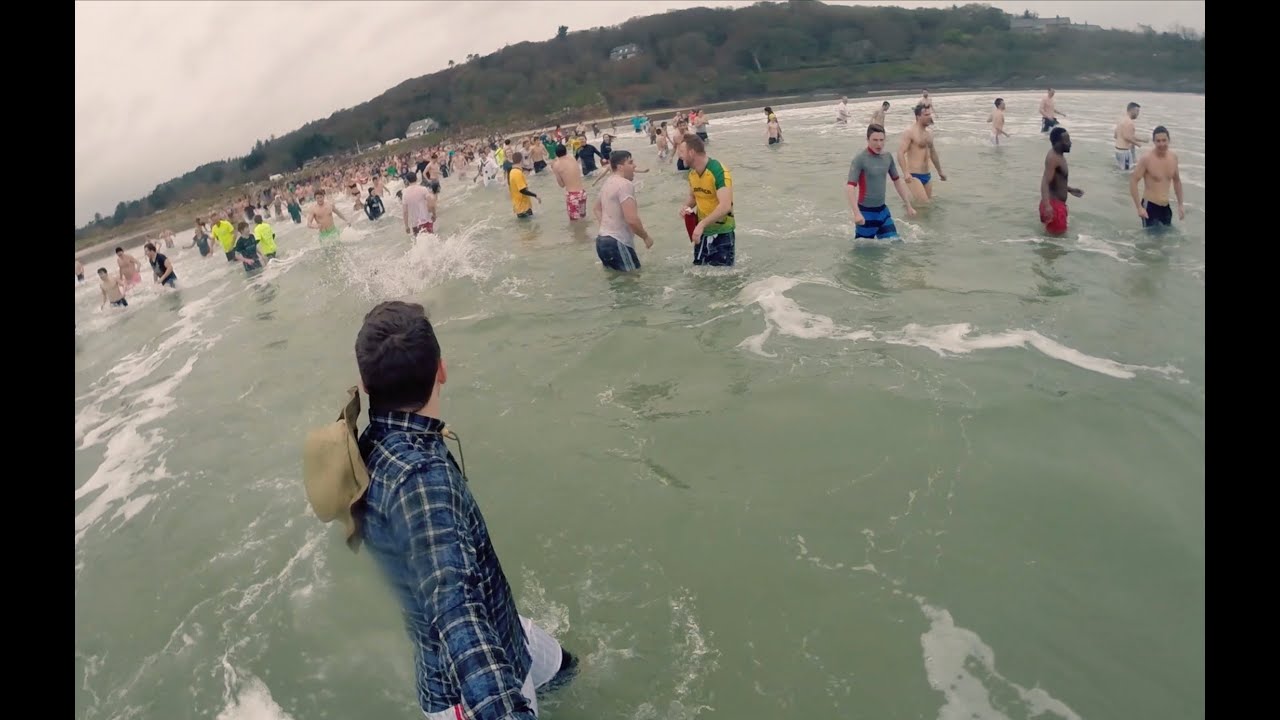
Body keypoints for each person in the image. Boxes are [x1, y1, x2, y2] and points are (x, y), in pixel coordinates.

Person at [332, 301, 578, 719]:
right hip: (462, 687)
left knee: (565, 672)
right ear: (441, 370)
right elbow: (456, 612)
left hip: (503, 624)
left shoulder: (381, 439)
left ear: (367, 385)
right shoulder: (421, 482)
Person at [846, 123, 917, 242]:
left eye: (881, 140)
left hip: (883, 212)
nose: (879, 144)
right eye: (875, 140)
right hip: (866, 214)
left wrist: (908, 205)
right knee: (863, 253)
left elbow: (897, 181)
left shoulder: (887, 157)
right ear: (867, 140)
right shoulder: (860, 159)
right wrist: (857, 213)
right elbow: (850, 187)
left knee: (896, 244)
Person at [678, 134, 736, 266]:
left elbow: (725, 206)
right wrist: (685, 207)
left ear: (692, 152)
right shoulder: (692, 173)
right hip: (703, 233)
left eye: (681, 151)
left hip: (722, 232)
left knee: (723, 279)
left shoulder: (718, 171)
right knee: (699, 275)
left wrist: (701, 225)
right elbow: (694, 196)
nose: (679, 156)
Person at [591, 151, 653, 272]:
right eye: (630, 162)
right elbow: (632, 220)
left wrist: (607, 228)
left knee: (618, 285)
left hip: (602, 241)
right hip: (617, 242)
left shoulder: (608, 182)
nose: (634, 166)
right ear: (620, 167)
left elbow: (596, 209)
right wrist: (646, 237)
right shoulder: (625, 184)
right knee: (634, 281)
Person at [1129, 125, 1185, 228]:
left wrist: (1180, 204)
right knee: (1150, 241)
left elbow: (1177, 181)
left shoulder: (1173, 158)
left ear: (1169, 140)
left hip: (1166, 207)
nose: (1161, 144)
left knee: (1167, 240)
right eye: (1158, 141)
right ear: (1154, 142)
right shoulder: (1147, 159)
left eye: (1164, 140)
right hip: (1149, 207)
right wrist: (1139, 208)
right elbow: (1133, 181)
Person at [897, 104, 946, 204]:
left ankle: (908, 212)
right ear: (918, 116)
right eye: (926, 115)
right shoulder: (910, 132)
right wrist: (905, 172)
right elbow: (900, 153)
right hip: (913, 175)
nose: (929, 117)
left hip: (927, 175)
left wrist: (940, 171)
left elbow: (933, 153)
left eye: (930, 114)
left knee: (925, 207)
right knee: (925, 204)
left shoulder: (929, 133)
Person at [1039, 127, 1084, 236]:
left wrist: (1069, 189)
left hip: (1055, 205)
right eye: (1067, 141)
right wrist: (1047, 206)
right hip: (1054, 207)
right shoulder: (1053, 158)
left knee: (1052, 240)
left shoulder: (1059, 156)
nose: (1070, 143)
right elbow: (1045, 182)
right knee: (1056, 244)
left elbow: (1055, 180)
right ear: (1058, 143)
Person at [507, 152, 539, 219]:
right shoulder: (517, 173)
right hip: (523, 207)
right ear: (521, 160)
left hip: (519, 206)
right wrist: (535, 195)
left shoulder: (512, 171)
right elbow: (522, 190)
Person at [1113, 102, 1144, 171]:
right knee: (1127, 173)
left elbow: (1115, 135)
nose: (1138, 113)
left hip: (1118, 150)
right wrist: (1138, 144)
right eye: (1137, 111)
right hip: (1124, 153)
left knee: (1121, 169)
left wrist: (1142, 140)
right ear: (1132, 110)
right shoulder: (1129, 122)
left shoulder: (1121, 120)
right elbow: (1127, 137)